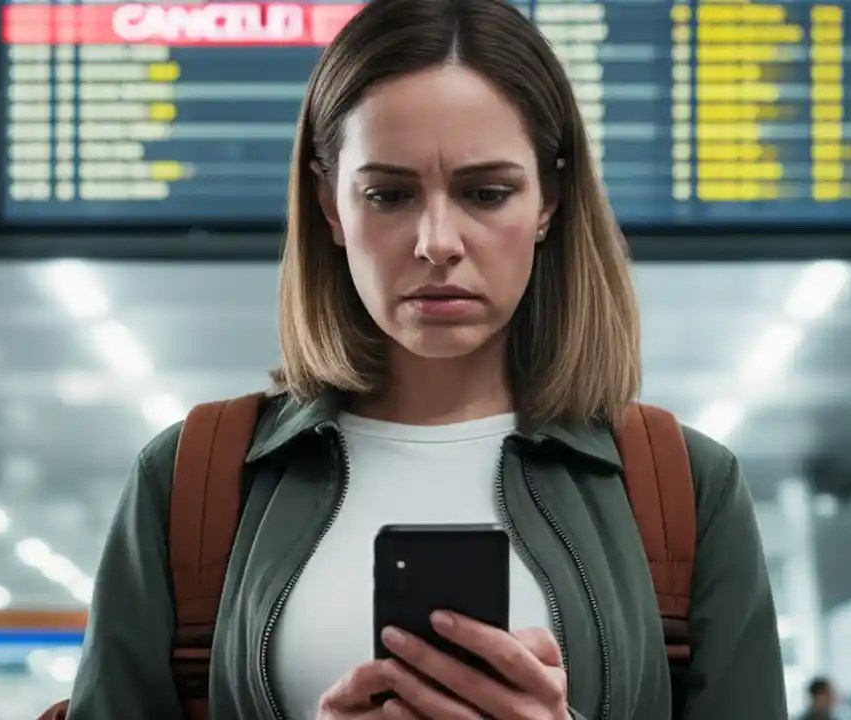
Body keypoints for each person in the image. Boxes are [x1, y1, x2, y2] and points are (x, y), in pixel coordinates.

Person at [64, 0, 787, 716]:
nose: (437, 240)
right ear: (328, 204)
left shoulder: (684, 489)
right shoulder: (192, 480)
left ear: (549, 201)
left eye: (487, 192)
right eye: (388, 194)